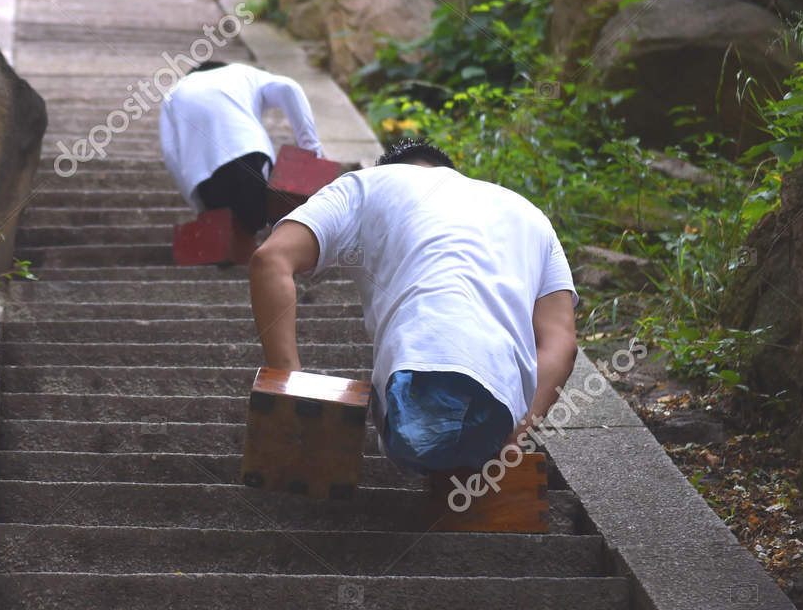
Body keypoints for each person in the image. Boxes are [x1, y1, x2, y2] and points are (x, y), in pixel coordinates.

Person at [246, 137, 579, 473]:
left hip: (414, 386)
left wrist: (290, 386)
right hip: (500, 407)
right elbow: (561, 342)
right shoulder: (530, 214)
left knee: (421, 433)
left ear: (392, 168)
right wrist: (515, 440)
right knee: (461, 445)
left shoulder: (365, 185)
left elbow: (270, 259)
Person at [159, 60, 323, 235]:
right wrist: (311, 148)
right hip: (249, 154)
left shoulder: (173, 93)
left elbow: (170, 154)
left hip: (203, 179)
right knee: (263, 215)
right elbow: (289, 88)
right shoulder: (241, 72)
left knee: (233, 227)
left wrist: (197, 206)